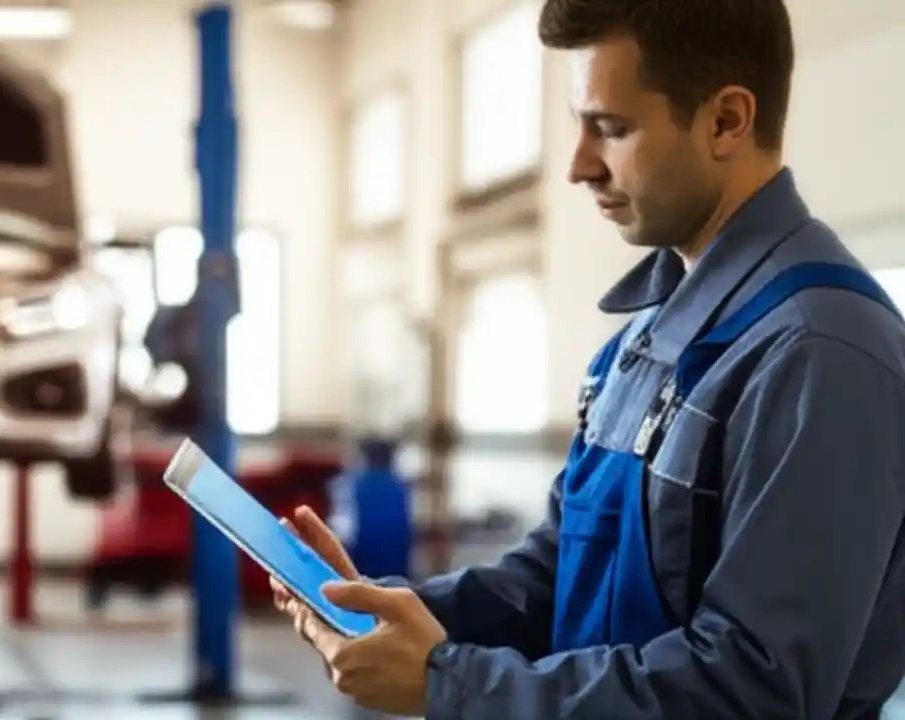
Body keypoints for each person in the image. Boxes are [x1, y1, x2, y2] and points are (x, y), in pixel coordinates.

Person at [271, 0, 905, 717]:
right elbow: (555, 579)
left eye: (613, 128)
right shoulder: (643, 344)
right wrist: (387, 609)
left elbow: (752, 690)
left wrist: (451, 682)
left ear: (727, 120)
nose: (577, 165)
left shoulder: (821, 354)